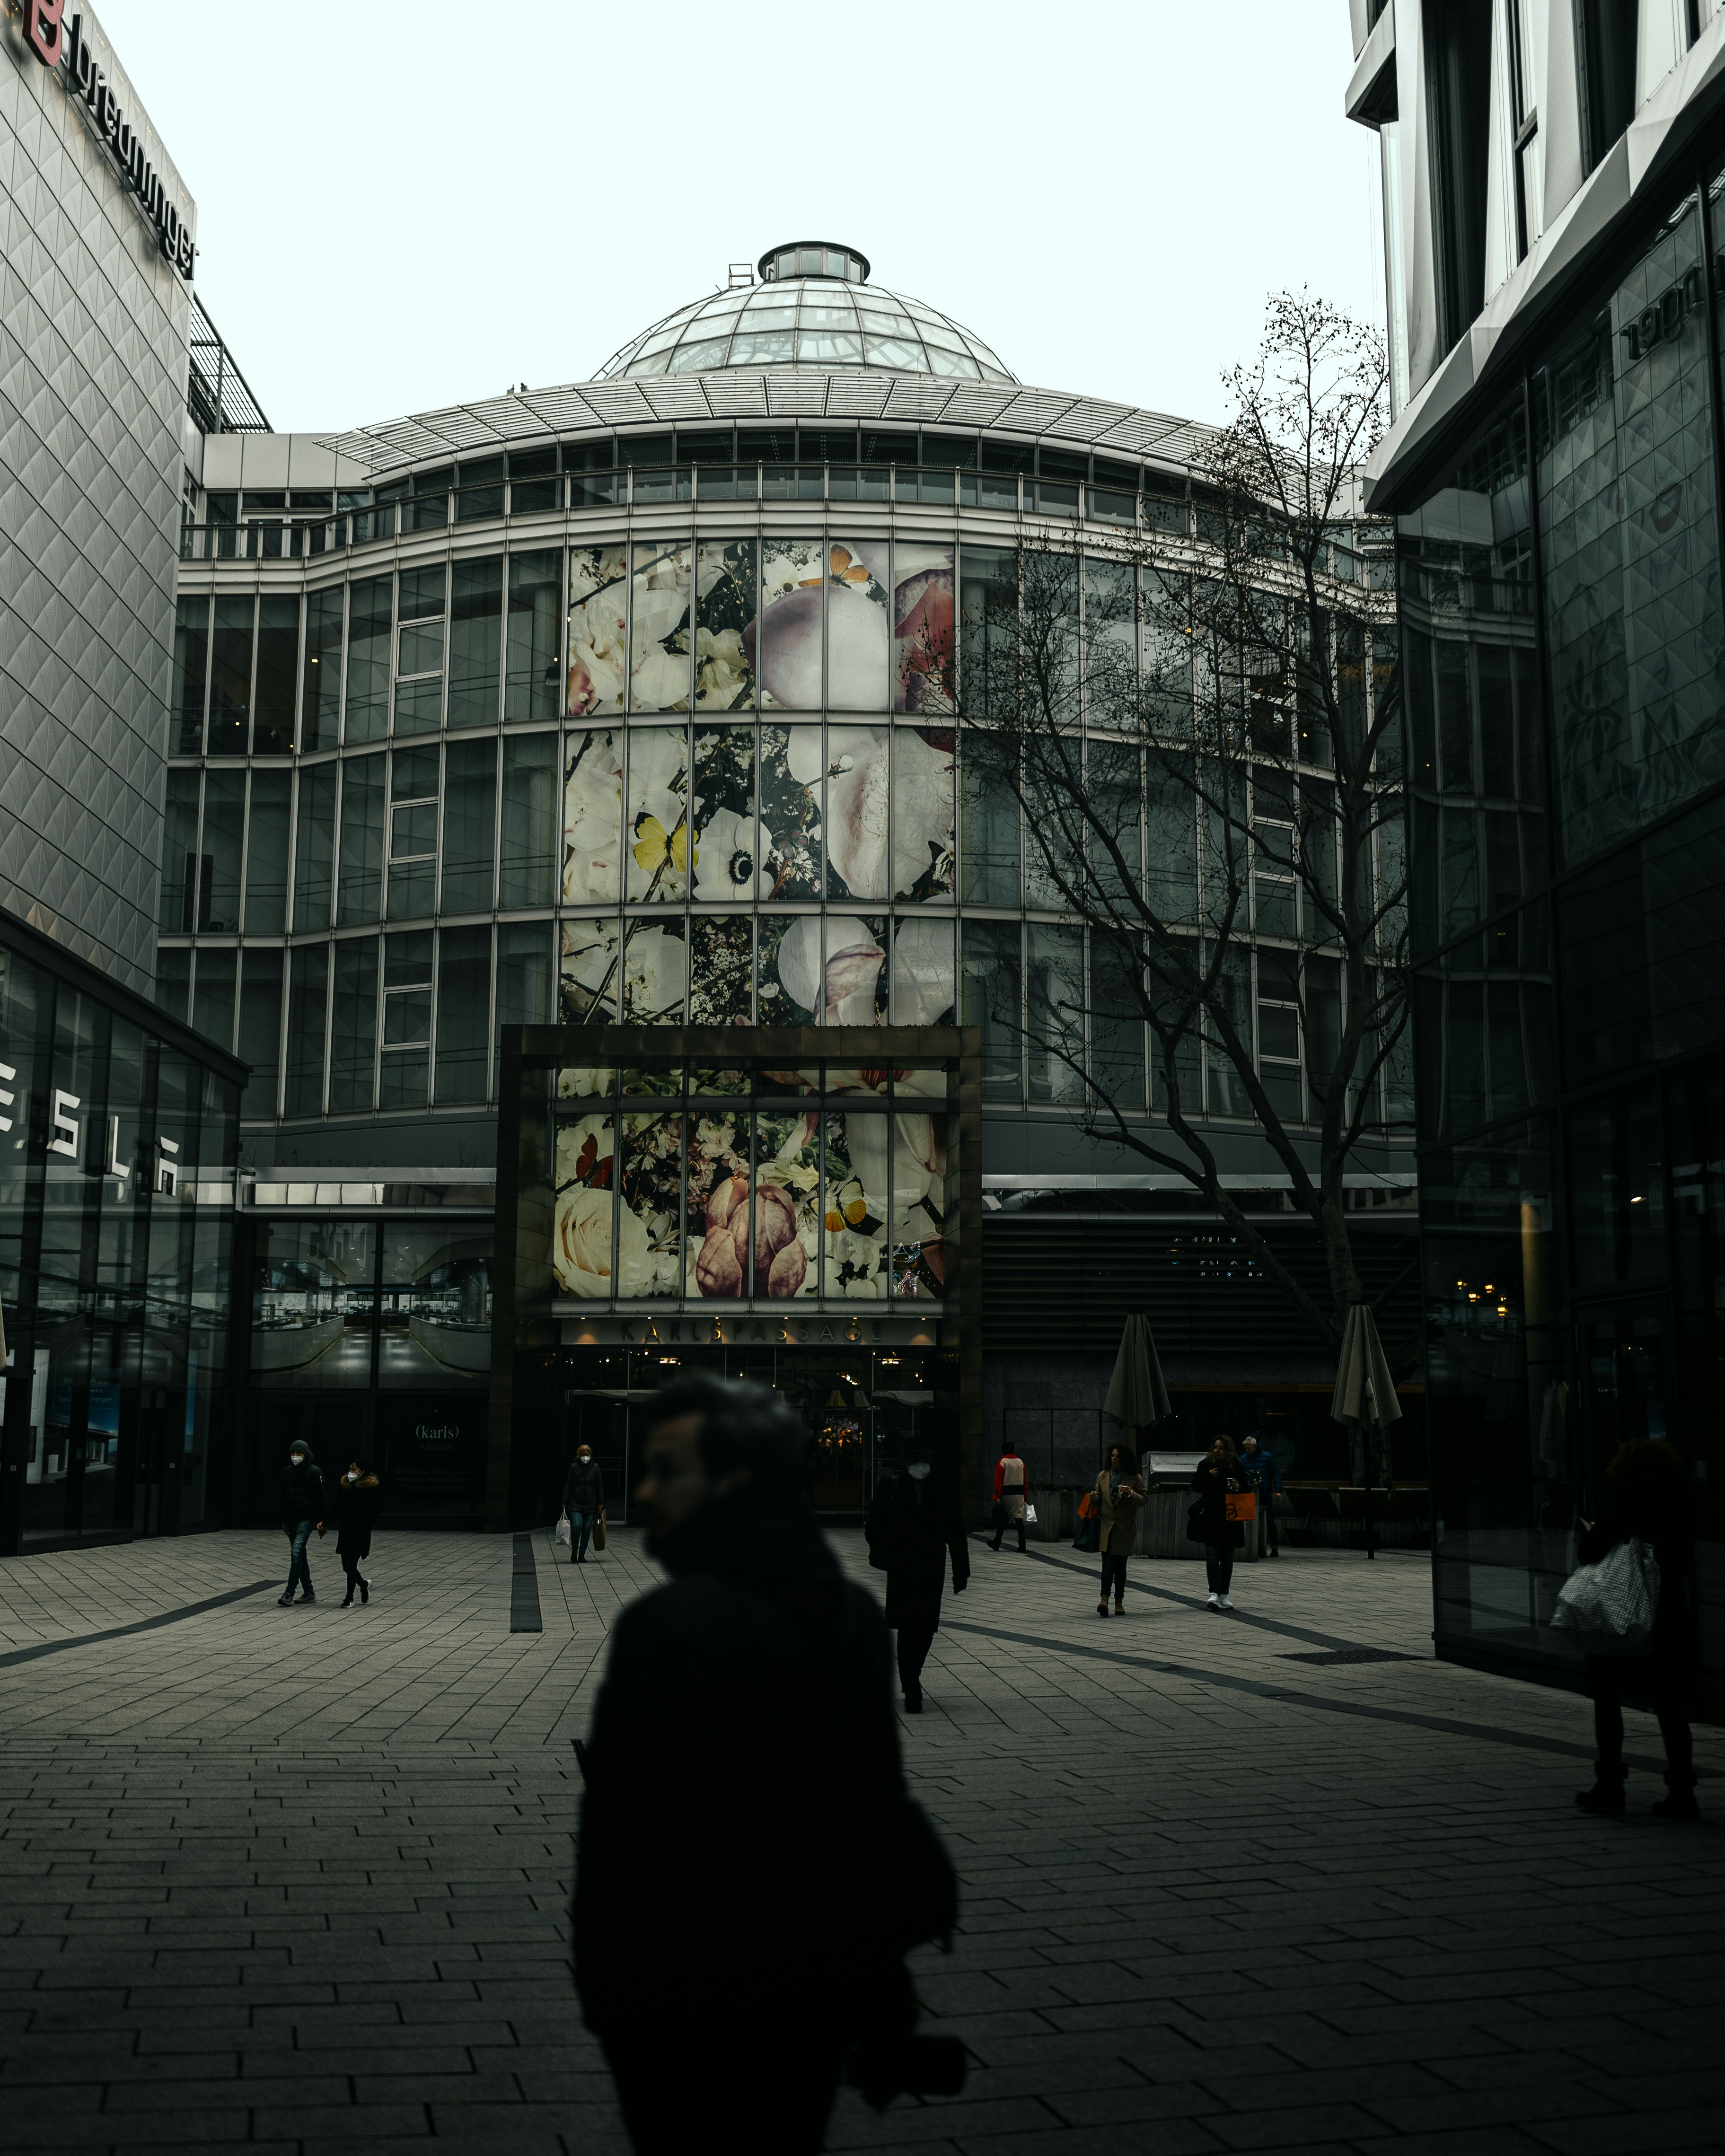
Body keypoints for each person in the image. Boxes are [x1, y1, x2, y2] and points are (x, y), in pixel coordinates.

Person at [573, 1373, 961, 2153]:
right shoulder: (848, 1614)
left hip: (686, 1994)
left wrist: (611, 2000)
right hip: (812, 1990)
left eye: (667, 1470)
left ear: (732, 1481)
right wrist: (882, 1997)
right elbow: (872, 1803)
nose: (645, 1490)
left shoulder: (666, 1626)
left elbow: (624, 1844)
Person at [1574, 1438, 1701, 1822]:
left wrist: (1598, 1531)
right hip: (1667, 1615)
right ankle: (1682, 1791)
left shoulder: (1625, 1499)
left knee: (1608, 1701)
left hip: (1622, 1615)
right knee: (1669, 1706)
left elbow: (1591, 1551)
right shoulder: (1681, 1502)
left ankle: (1611, 1785)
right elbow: (1681, 1563)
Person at [865, 1434, 969, 1712]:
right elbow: (874, 1525)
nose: (921, 1465)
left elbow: (956, 1532)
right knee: (907, 1625)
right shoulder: (891, 1488)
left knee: (925, 1627)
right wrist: (883, 1556)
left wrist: (962, 1572)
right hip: (902, 1568)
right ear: (906, 1463)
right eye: (916, 1460)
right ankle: (911, 1685)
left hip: (932, 1567)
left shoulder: (943, 1489)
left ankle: (913, 1674)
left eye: (925, 1459)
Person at [1190, 1437, 1248, 1612]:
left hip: (1231, 1515)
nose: (1217, 1451)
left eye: (1221, 1448)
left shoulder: (1236, 1465)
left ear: (1228, 1449)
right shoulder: (1206, 1464)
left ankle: (1224, 1594)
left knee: (1228, 1556)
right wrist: (1209, 1477)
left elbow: (1246, 1489)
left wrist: (1238, 1487)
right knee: (1213, 1554)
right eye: (1215, 1447)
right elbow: (1195, 1486)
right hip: (1212, 1515)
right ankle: (1214, 1593)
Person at [1093, 1442, 1147, 1617]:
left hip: (1124, 1529)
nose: (1114, 1459)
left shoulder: (1134, 1477)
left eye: (1118, 1457)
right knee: (1107, 1566)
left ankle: (1119, 1602)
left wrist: (1131, 1494)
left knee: (1121, 1568)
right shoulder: (1103, 1476)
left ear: (1125, 1460)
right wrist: (1094, 1499)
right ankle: (1104, 1601)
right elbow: (1099, 1498)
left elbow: (1144, 1499)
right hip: (1107, 1528)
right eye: (1113, 1456)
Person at [278, 1440, 326, 1607]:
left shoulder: (314, 1472)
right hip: (291, 1520)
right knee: (301, 1556)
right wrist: (284, 1519)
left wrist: (321, 1521)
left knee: (296, 1552)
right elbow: (283, 1496)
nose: (296, 1456)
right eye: (293, 1453)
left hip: (306, 1518)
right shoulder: (287, 1472)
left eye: (299, 1454)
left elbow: (322, 1498)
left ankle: (289, 1593)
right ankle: (309, 1592)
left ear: (306, 1454)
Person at [331, 1460, 380, 1607]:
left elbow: (375, 1510)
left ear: (362, 1471)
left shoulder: (369, 1488)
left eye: (355, 1469)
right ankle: (364, 1585)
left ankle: (349, 1598)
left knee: (352, 1564)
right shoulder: (346, 1486)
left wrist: (366, 1525)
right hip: (346, 1530)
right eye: (350, 1469)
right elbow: (337, 1507)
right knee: (346, 1567)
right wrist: (324, 1522)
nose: (351, 1472)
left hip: (360, 1532)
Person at [562, 1442, 605, 1563]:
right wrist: (565, 1501)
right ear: (579, 1455)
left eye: (588, 1454)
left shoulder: (595, 1467)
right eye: (584, 1454)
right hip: (576, 1502)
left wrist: (601, 1502)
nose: (586, 1456)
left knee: (586, 1528)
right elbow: (568, 1484)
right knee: (577, 1526)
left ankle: (582, 1553)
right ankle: (574, 1550)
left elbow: (599, 1486)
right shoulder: (574, 1467)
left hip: (591, 1503)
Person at [1241, 1429, 1281, 1557]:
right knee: (1254, 1520)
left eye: (1249, 1448)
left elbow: (1275, 1474)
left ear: (1255, 1446)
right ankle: (1257, 1546)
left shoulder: (1266, 1457)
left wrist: (1278, 1490)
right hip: (1252, 1492)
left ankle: (1274, 1547)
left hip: (1264, 1492)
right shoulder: (1244, 1459)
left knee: (1269, 1519)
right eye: (1246, 1449)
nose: (1248, 1451)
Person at [987, 1439, 1030, 1552]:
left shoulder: (1003, 1462)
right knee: (1019, 1521)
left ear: (1003, 1451)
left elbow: (998, 1481)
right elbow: (1025, 1482)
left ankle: (997, 1543)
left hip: (1006, 1495)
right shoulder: (1020, 1462)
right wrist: (1025, 1497)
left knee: (1002, 1519)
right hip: (1019, 1495)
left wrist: (996, 1495)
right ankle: (1022, 1545)